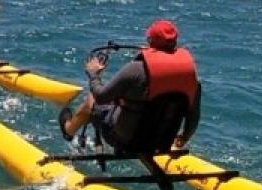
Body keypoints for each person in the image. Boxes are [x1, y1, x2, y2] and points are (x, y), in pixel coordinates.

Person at [59, 20, 201, 153]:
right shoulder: (191, 77)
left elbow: (101, 96)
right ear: (175, 42)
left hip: (123, 140)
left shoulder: (135, 70)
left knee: (92, 98)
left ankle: (69, 130)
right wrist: (183, 138)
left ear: (150, 41)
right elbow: (193, 116)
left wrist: (94, 74)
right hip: (161, 142)